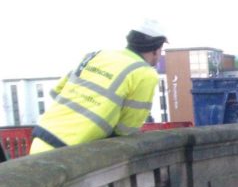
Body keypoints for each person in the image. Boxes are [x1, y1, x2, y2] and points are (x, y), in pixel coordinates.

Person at [30, 20, 167, 154]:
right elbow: (127, 128)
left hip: (40, 139)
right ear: (156, 50)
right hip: (72, 151)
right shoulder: (145, 73)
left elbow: (56, 92)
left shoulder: (97, 54)